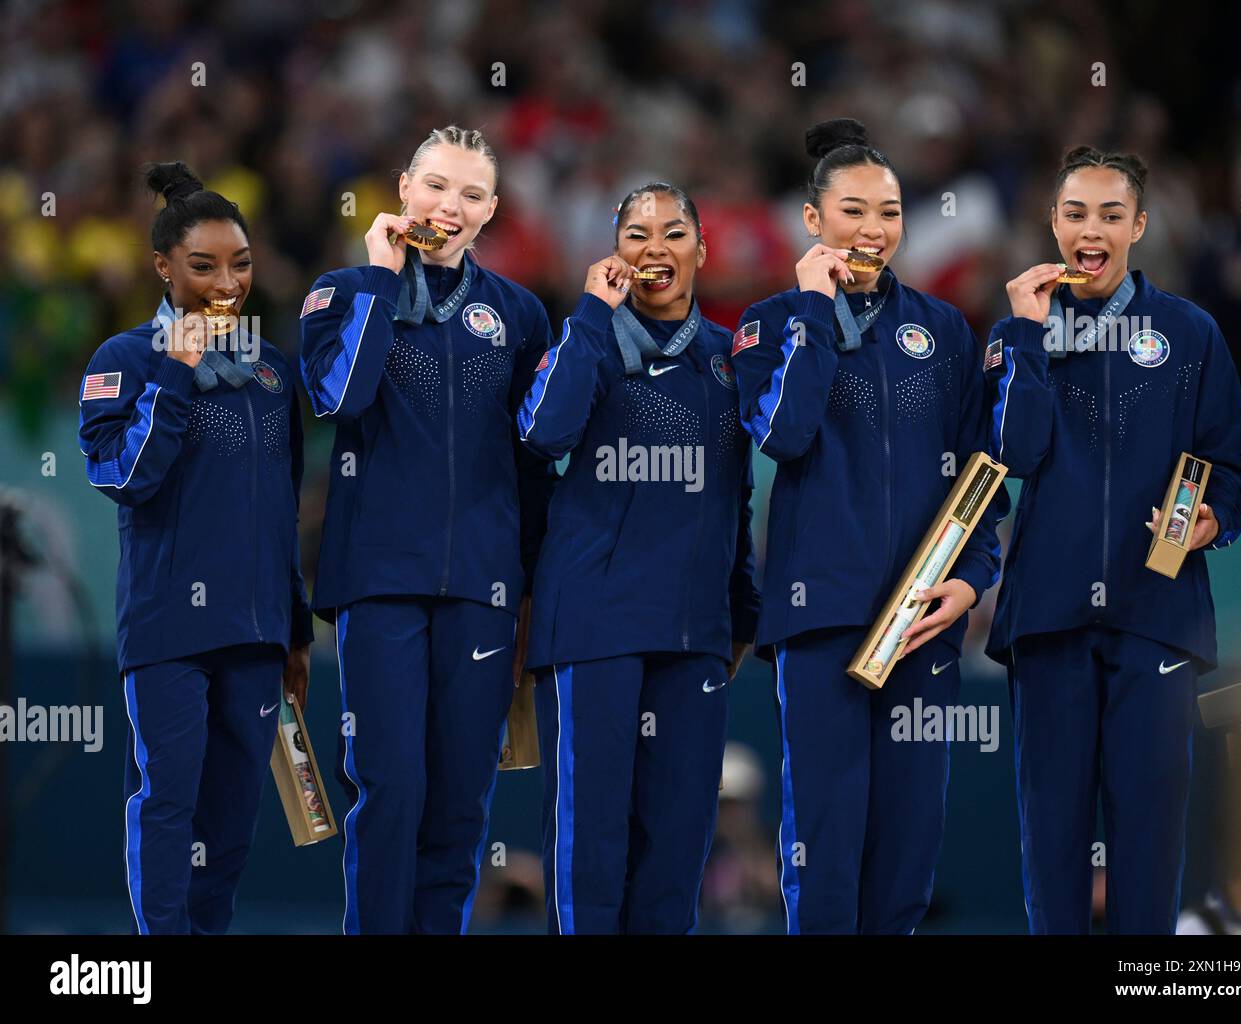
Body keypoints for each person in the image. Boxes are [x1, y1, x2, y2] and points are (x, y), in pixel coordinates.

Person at [731, 119, 1004, 934]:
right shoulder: (772, 321)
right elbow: (783, 433)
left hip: (926, 621)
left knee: (909, 840)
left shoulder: (945, 329)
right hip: (823, 615)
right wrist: (816, 313)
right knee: (825, 833)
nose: (873, 229)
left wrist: (972, 577)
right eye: (852, 211)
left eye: (888, 212)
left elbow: (981, 474)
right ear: (813, 221)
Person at [985, 145, 1241, 934]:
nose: (1090, 229)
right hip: (1048, 620)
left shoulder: (1190, 332)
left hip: (1156, 616)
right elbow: (1014, 456)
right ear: (1053, 223)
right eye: (1074, 213)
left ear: (1138, 224)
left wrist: (1217, 517)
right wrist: (1030, 341)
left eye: (1110, 214)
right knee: (1053, 845)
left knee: (1148, 842)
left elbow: (1231, 462)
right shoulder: (1017, 333)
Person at [298, 126, 555, 934]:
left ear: (492, 212)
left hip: (483, 587)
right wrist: (381, 277)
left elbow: (535, 463)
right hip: (380, 581)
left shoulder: (518, 313)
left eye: (472, 194)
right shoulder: (341, 292)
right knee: (390, 785)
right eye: (437, 186)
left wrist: (530, 587)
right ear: (404, 188)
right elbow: (341, 398)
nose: (451, 206)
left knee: (457, 798)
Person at [517, 181, 760, 934]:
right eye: (636, 234)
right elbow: (544, 434)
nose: (656, 248)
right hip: (593, 625)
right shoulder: (584, 342)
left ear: (702, 250)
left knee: (677, 846)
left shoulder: (729, 359)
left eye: (674, 232)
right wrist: (593, 317)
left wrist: (740, 608)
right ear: (613, 253)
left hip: (692, 634)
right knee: (590, 845)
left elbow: (736, 496)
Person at [78, 161, 313, 934]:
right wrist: (175, 374)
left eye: (241, 263)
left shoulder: (274, 373)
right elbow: (127, 478)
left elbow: (282, 511)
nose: (227, 281)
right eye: (204, 264)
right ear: (162, 267)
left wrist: (296, 627)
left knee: (233, 819)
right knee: (168, 803)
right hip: (167, 629)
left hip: (255, 634)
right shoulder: (124, 361)